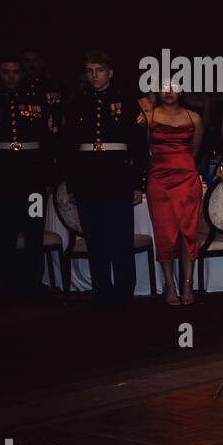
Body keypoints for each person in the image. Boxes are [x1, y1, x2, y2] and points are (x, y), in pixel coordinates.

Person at [61, 51, 149, 307]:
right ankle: (101, 292)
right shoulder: (77, 102)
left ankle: (123, 293)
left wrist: (136, 183)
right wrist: (74, 183)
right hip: (88, 179)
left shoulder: (127, 101)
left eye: (99, 70)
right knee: (96, 241)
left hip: (118, 178)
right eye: (89, 71)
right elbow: (68, 147)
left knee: (120, 240)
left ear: (110, 72)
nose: (94, 75)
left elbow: (138, 147)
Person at [0, 55, 59, 302]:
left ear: (22, 74)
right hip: (0, 178)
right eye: (5, 72)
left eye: (15, 72)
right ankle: (6, 286)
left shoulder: (38, 101)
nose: (10, 77)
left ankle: (32, 284)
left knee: (33, 231)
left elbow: (49, 144)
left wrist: (49, 179)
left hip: (33, 179)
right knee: (4, 234)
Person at [145, 84, 203, 306]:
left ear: (181, 91)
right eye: (163, 87)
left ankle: (188, 284)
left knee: (188, 232)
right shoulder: (149, 117)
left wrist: (183, 166)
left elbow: (195, 150)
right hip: (159, 180)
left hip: (187, 179)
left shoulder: (194, 118)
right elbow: (145, 149)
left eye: (173, 87)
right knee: (164, 234)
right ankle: (170, 285)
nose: (168, 91)